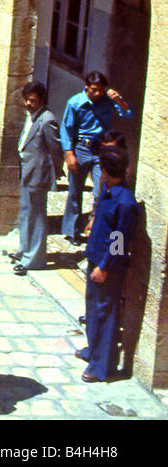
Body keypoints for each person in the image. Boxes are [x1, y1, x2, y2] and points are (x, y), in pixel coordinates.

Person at [78, 147, 137, 383]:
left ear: (104, 170)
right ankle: (93, 350)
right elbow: (101, 213)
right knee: (92, 307)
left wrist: (104, 267)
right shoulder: (108, 190)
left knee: (106, 311)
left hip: (108, 264)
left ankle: (102, 366)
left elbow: (120, 241)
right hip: (95, 255)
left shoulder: (126, 203)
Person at [60, 71, 133, 244]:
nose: (98, 93)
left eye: (101, 90)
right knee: (75, 191)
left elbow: (128, 115)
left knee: (101, 191)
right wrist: (69, 154)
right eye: (94, 90)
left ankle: (95, 228)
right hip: (81, 149)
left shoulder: (108, 102)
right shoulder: (75, 103)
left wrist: (119, 100)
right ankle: (73, 231)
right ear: (87, 87)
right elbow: (66, 129)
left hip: (101, 150)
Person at [13, 81, 60, 275]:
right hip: (26, 170)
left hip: (38, 173)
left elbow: (55, 149)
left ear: (41, 100)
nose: (28, 103)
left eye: (32, 100)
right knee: (26, 212)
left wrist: (52, 172)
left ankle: (34, 258)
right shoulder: (30, 115)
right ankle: (24, 249)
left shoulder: (47, 119)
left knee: (37, 215)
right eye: (26, 99)